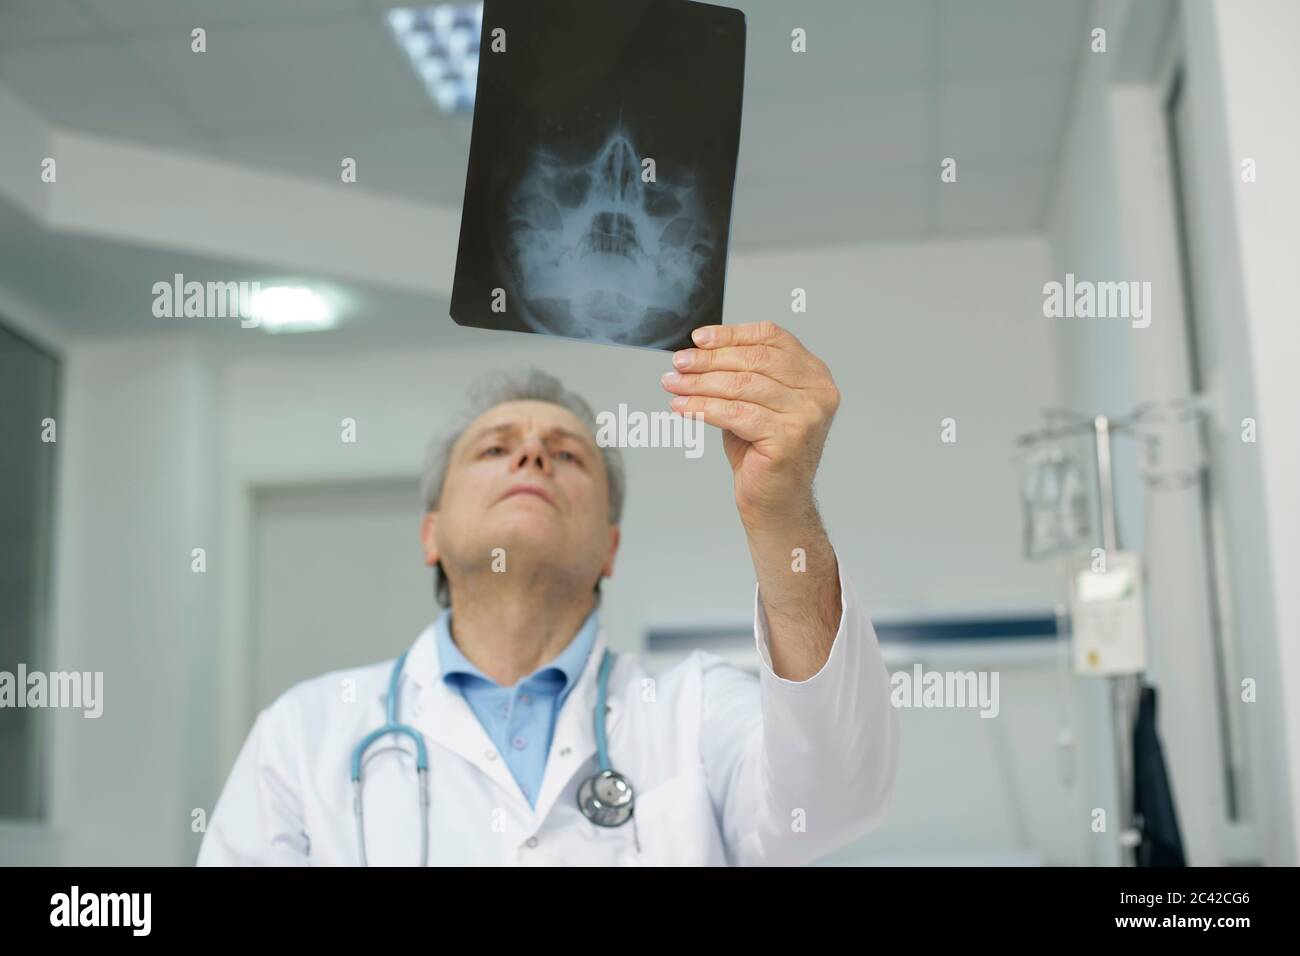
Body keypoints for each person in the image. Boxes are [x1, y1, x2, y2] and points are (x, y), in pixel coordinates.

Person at [197, 321, 898, 866]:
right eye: (495, 448)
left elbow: (836, 798)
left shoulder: (692, 710)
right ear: (431, 534)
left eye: (566, 454)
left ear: (610, 548)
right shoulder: (304, 735)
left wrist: (781, 510)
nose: (532, 455)